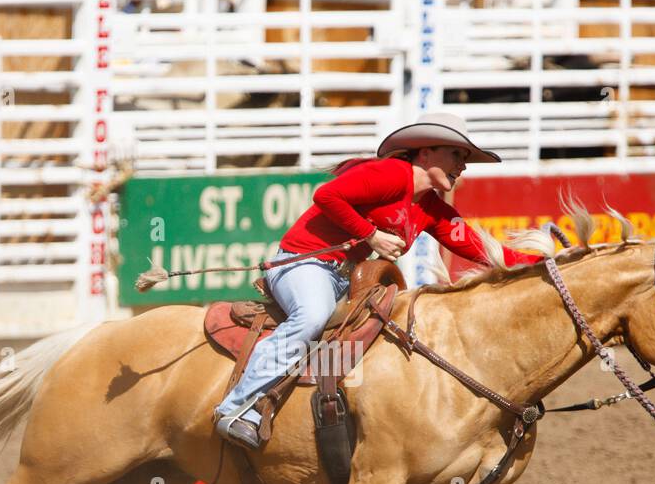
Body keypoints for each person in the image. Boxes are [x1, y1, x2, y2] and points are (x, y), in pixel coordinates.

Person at [213, 112, 537, 449]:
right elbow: (327, 196)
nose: (463, 166)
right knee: (312, 316)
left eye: (465, 157)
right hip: (302, 262)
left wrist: (548, 261)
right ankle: (235, 408)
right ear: (425, 152)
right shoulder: (391, 174)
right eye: (456, 154)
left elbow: (480, 249)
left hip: (337, 278)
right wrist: (372, 236)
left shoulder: (429, 208)